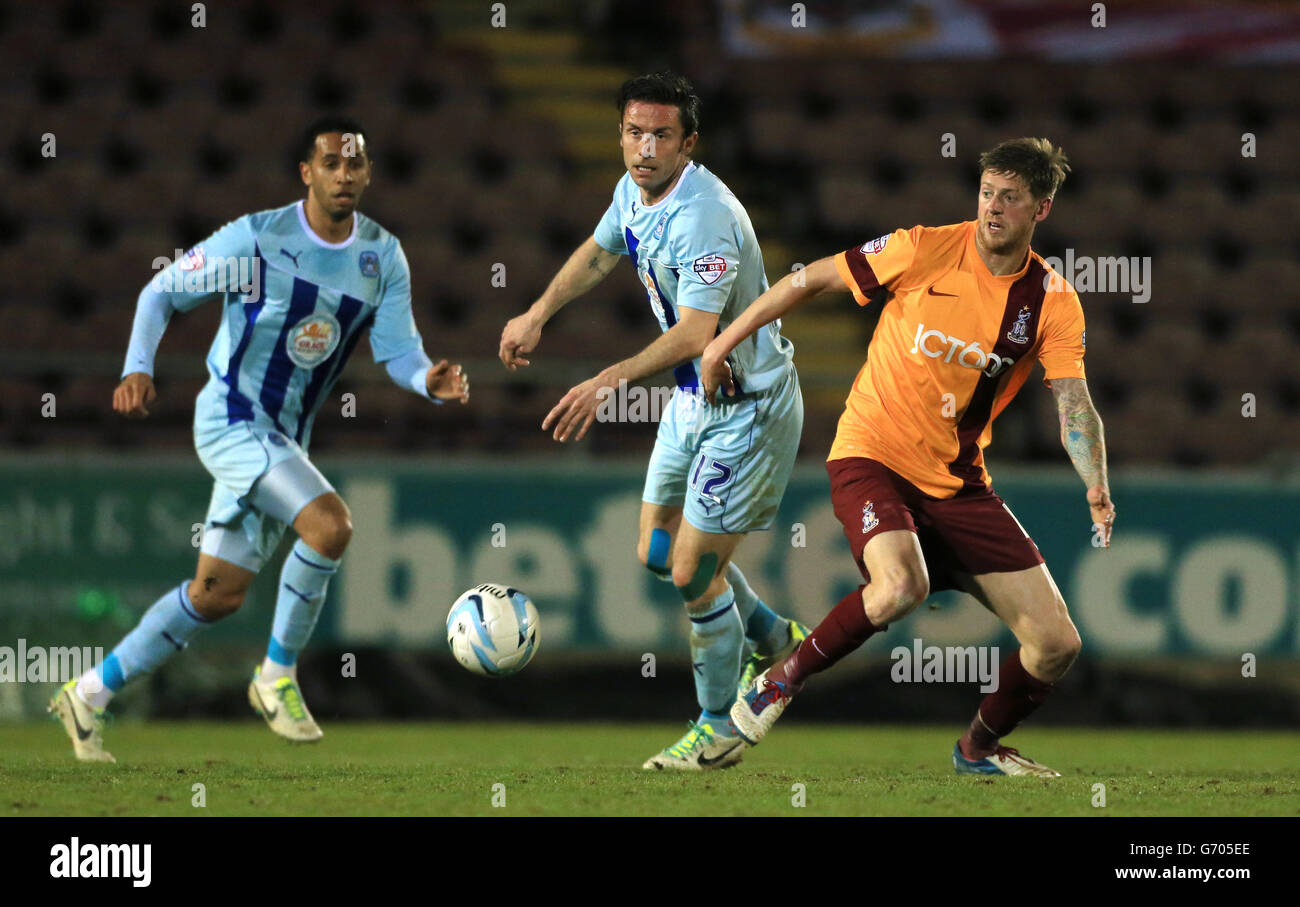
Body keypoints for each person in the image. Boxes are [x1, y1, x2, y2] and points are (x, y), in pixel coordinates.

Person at [50, 115, 469, 763]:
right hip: (231, 417)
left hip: (284, 439)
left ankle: (89, 693)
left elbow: (399, 350)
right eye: (331, 162)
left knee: (216, 595)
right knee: (331, 526)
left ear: (368, 173)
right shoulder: (257, 237)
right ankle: (275, 676)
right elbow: (161, 293)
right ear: (307, 172)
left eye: (355, 164)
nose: (344, 175)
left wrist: (427, 381)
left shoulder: (381, 255)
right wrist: (138, 365)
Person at [702, 137, 1113, 777]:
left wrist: (1096, 484)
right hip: (872, 452)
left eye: (1010, 198)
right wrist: (722, 341)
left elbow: (1073, 402)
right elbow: (809, 278)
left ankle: (977, 749)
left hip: (958, 484)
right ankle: (778, 682)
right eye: (986, 193)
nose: (993, 208)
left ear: (1042, 210)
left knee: (1057, 644)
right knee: (899, 587)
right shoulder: (924, 247)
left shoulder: (1051, 301)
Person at [499, 72, 808, 770]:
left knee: (694, 569)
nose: (645, 146)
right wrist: (537, 312)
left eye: (661, 135)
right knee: (657, 551)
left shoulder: (704, 213)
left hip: (749, 407)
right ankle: (775, 636)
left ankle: (714, 729)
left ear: (687, 142)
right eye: (635, 132)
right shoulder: (633, 191)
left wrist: (608, 377)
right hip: (694, 400)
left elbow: (698, 331)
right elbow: (600, 252)